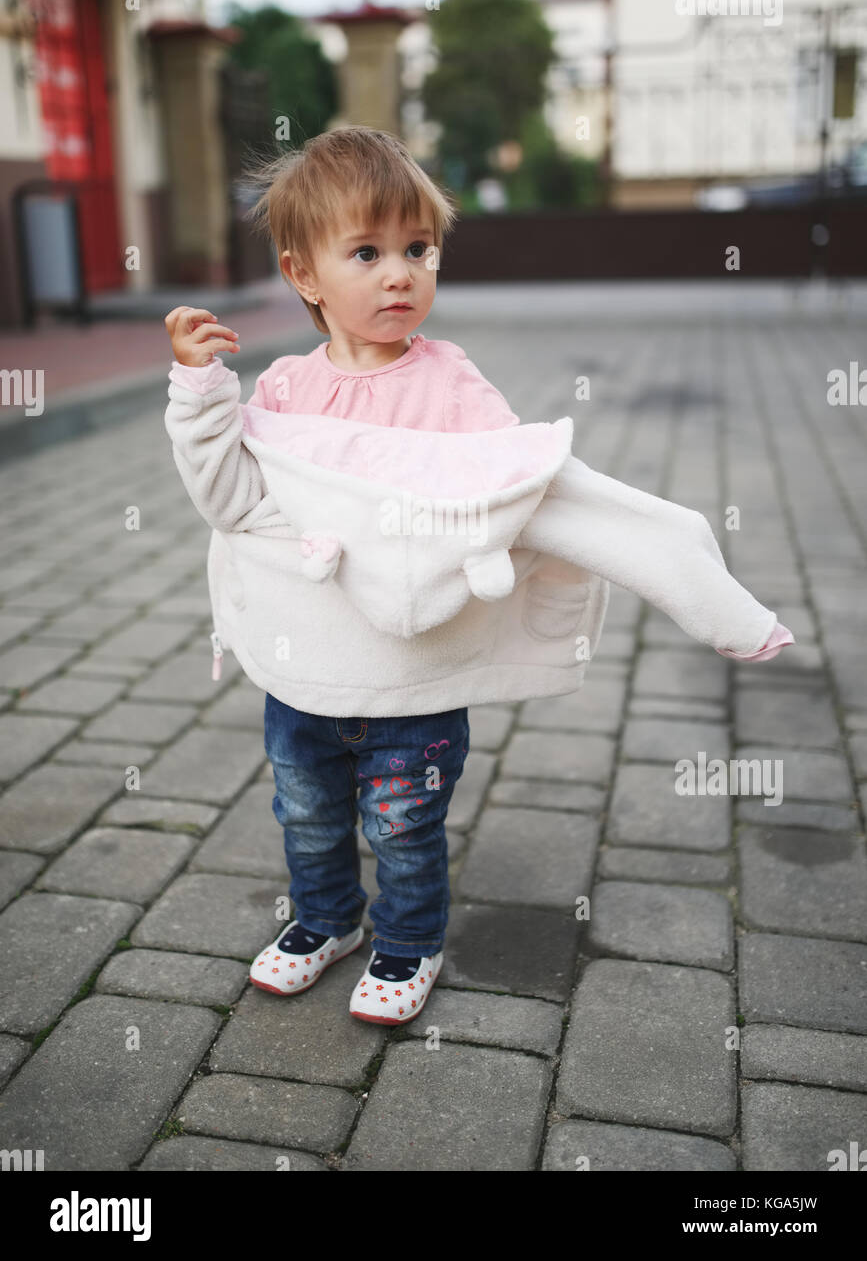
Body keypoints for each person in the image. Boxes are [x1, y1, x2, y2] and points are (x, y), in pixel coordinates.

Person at [164, 125, 793, 1027]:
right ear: (304, 275)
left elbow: (522, 489)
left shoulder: (453, 385)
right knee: (305, 814)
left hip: (414, 676)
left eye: (418, 250)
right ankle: (325, 920)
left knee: (403, 827)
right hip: (307, 670)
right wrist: (199, 395)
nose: (400, 274)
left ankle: (407, 940)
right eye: (368, 252)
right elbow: (230, 501)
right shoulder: (286, 392)